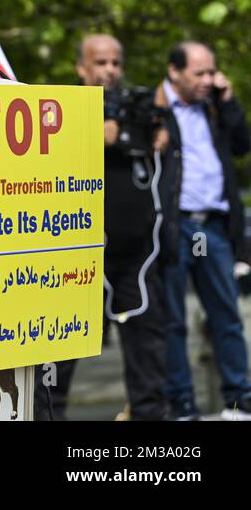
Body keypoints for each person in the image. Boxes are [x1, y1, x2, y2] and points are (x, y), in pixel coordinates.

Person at [34, 34, 173, 420]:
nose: (110, 70)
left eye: (115, 62)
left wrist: (157, 138)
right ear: (81, 67)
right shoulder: (58, 112)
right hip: (78, 254)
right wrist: (86, 136)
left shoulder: (135, 110)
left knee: (148, 346)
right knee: (60, 352)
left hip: (136, 258)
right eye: (100, 63)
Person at [158, 41, 251, 420]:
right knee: (173, 319)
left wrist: (228, 102)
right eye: (200, 73)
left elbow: (244, 145)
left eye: (211, 72)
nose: (208, 79)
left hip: (213, 225)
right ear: (174, 71)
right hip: (174, 225)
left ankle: (238, 399)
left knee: (226, 314)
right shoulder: (155, 109)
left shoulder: (214, 107)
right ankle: (181, 403)